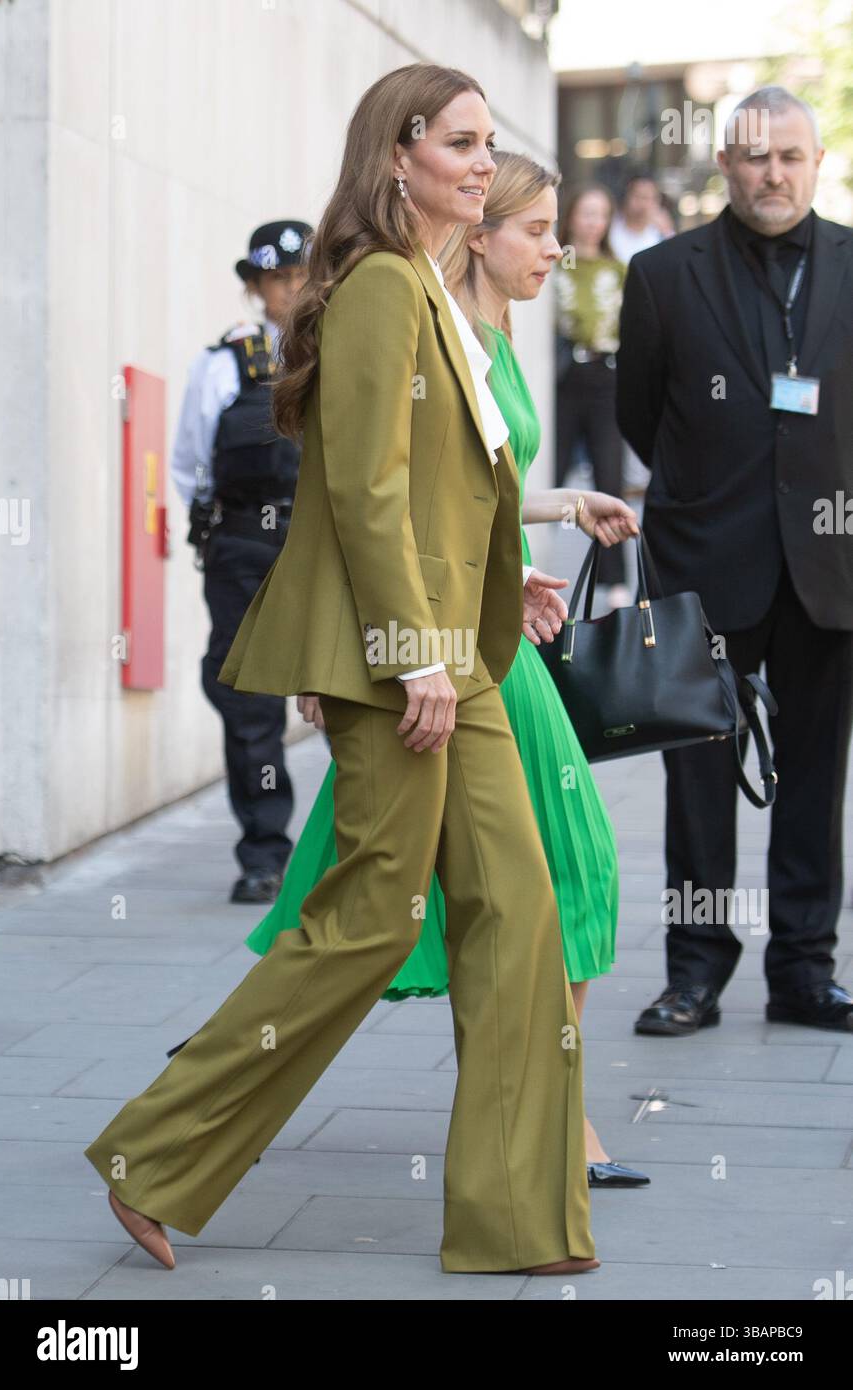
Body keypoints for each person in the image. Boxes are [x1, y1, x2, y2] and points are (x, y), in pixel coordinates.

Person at [84, 63, 602, 1277]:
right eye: (463, 144)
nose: (484, 163)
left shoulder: (425, 285)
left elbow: (441, 483)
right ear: (399, 155)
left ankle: (517, 1218)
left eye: (490, 144)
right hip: (401, 662)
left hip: (456, 652)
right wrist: (413, 645)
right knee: (371, 917)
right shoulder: (377, 286)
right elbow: (364, 490)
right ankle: (153, 1154)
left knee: (518, 915)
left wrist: (495, 580)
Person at [240, 150, 646, 1190]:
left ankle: (540, 1131)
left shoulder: (486, 334)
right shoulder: (404, 310)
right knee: (452, 893)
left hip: (473, 636)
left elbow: (466, 495)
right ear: (479, 231)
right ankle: (227, 1066)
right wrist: (393, 648)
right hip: (439, 650)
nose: (556, 247)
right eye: (535, 228)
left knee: (508, 886)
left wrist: (539, 530)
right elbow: (381, 501)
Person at [616, 86, 853, 1036]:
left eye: (790, 156)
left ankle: (805, 970)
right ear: (725, 164)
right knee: (696, 785)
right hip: (703, 568)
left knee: (815, 778)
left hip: (829, 568)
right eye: (755, 156)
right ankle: (696, 972)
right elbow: (642, 414)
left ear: (816, 162)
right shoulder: (664, 274)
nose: (773, 173)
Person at [171, 221, 312, 904]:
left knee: (353, 693)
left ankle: (367, 852)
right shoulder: (222, 362)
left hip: (326, 544)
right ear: (256, 288)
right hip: (242, 550)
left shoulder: (345, 350)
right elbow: (189, 462)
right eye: (278, 279)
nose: (291, 289)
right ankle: (265, 854)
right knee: (248, 701)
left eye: (302, 276)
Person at [554, 183, 630, 607]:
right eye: (586, 212)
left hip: (606, 375)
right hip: (565, 375)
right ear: (572, 216)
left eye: (601, 214)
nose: (593, 221)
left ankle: (615, 581)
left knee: (609, 476)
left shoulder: (617, 270)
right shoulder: (556, 261)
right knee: (550, 470)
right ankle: (523, 566)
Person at [609, 171, 665, 264]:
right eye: (637, 196)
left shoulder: (661, 237)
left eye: (647, 198)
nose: (642, 204)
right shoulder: (608, 230)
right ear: (626, 197)